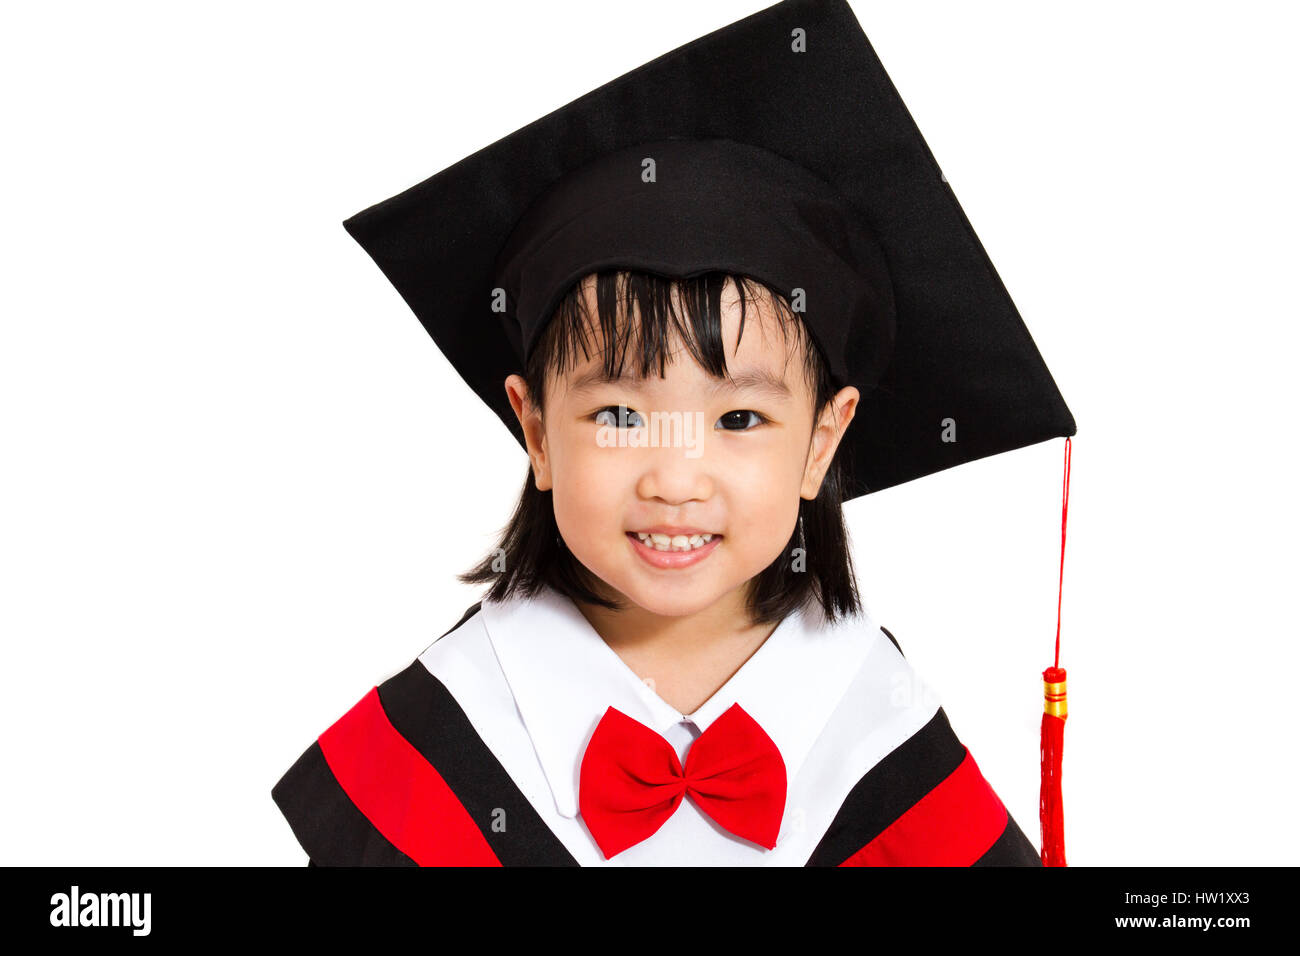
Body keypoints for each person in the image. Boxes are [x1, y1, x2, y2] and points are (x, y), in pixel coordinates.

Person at [272, 0, 1075, 866]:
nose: (676, 479)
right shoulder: (445, 731)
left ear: (822, 441)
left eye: (739, 418)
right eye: (619, 416)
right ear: (536, 430)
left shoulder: (871, 717)